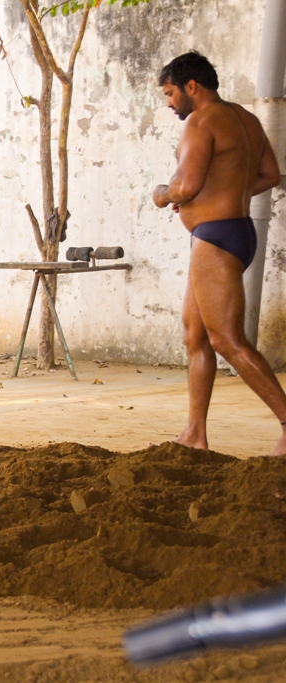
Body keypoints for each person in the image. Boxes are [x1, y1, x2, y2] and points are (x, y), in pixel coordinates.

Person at [152, 51, 286, 455]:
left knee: (228, 341)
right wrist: (222, 194)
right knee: (196, 335)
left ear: (192, 86)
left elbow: (185, 187)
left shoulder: (201, 120)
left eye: (171, 92)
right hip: (235, 232)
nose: (170, 102)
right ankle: (195, 434)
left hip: (215, 239)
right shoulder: (246, 119)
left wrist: (162, 194)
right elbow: (270, 175)